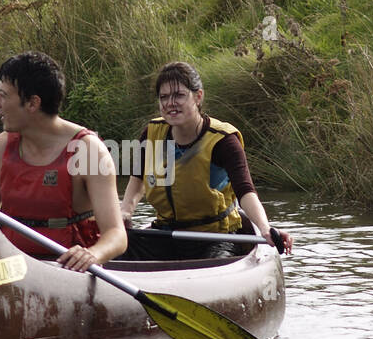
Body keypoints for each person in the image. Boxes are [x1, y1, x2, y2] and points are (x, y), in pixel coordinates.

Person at [0, 51, 127, 273]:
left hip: (68, 272)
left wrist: (93, 254)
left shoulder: (88, 151)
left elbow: (116, 234)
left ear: (32, 103)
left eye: (3, 95)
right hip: (12, 270)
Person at [118, 61, 294, 260]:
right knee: (115, 249)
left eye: (179, 96)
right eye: (164, 97)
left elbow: (245, 192)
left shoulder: (223, 141)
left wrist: (264, 228)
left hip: (215, 237)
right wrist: (126, 210)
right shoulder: (153, 133)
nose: (170, 103)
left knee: (216, 263)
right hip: (165, 233)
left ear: (198, 96)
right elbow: (139, 177)